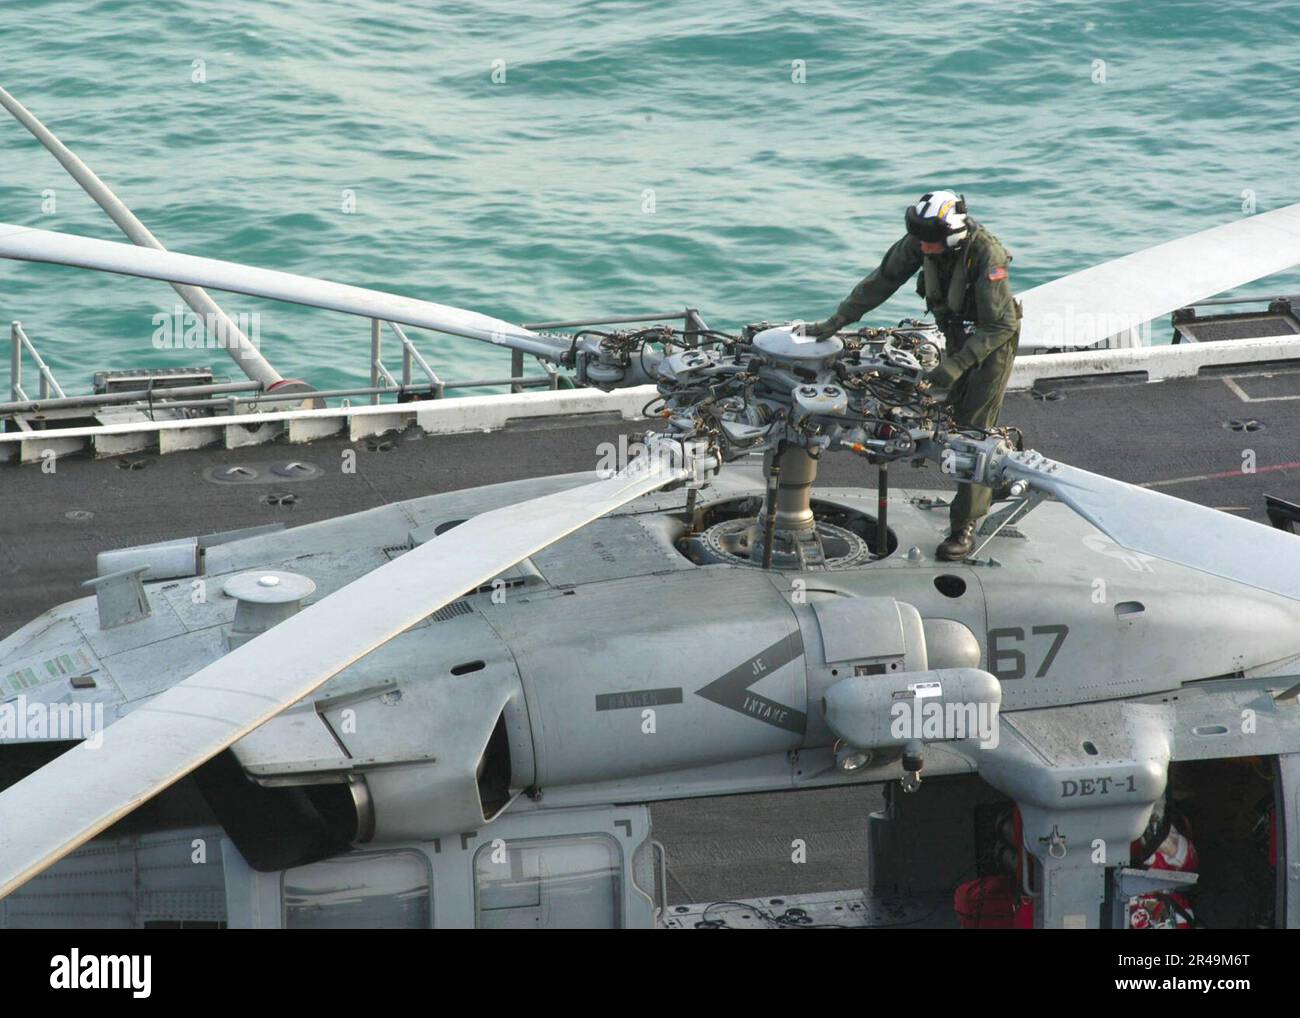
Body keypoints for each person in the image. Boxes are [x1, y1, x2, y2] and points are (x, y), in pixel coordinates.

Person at [805, 191, 1021, 560]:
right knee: (950, 417)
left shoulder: (987, 255)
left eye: (929, 238)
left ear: (952, 234)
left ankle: (965, 525)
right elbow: (882, 280)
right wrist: (838, 321)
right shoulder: (922, 243)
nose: (922, 244)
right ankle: (998, 480)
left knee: (973, 430)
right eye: (918, 236)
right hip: (957, 337)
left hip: (992, 345)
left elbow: (999, 324)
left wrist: (954, 367)